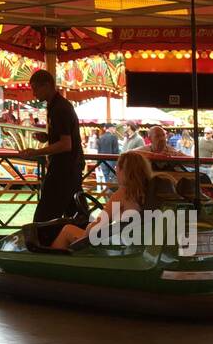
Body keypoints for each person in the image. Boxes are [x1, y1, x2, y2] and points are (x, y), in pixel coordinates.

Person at [50, 150, 151, 250]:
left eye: (118, 167)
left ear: (124, 171)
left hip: (120, 246)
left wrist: (86, 232)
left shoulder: (123, 193)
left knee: (67, 230)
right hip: (135, 243)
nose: (116, 170)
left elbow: (97, 226)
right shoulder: (146, 191)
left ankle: (52, 259)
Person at [23, 68, 84, 224]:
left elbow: (65, 144)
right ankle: (85, 234)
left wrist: (36, 152)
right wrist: (48, 137)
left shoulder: (60, 109)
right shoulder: (55, 106)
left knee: (45, 216)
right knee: (77, 214)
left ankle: (43, 238)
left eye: (35, 88)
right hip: (70, 167)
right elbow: (64, 137)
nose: (34, 94)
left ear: (47, 85)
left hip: (63, 170)